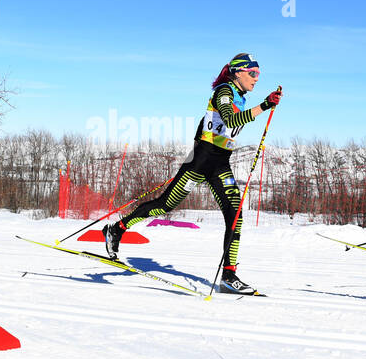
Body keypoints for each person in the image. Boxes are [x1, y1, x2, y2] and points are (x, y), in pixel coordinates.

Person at [101, 52, 281, 295]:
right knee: (164, 205)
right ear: (238, 72)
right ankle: (117, 229)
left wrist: (265, 105)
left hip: (220, 164)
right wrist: (264, 105)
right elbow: (230, 119)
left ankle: (229, 275)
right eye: (253, 73)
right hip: (200, 161)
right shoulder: (224, 92)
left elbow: (221, 124)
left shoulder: (238, 95)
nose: (256, 78)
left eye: (258, 73)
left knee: (235, 214)